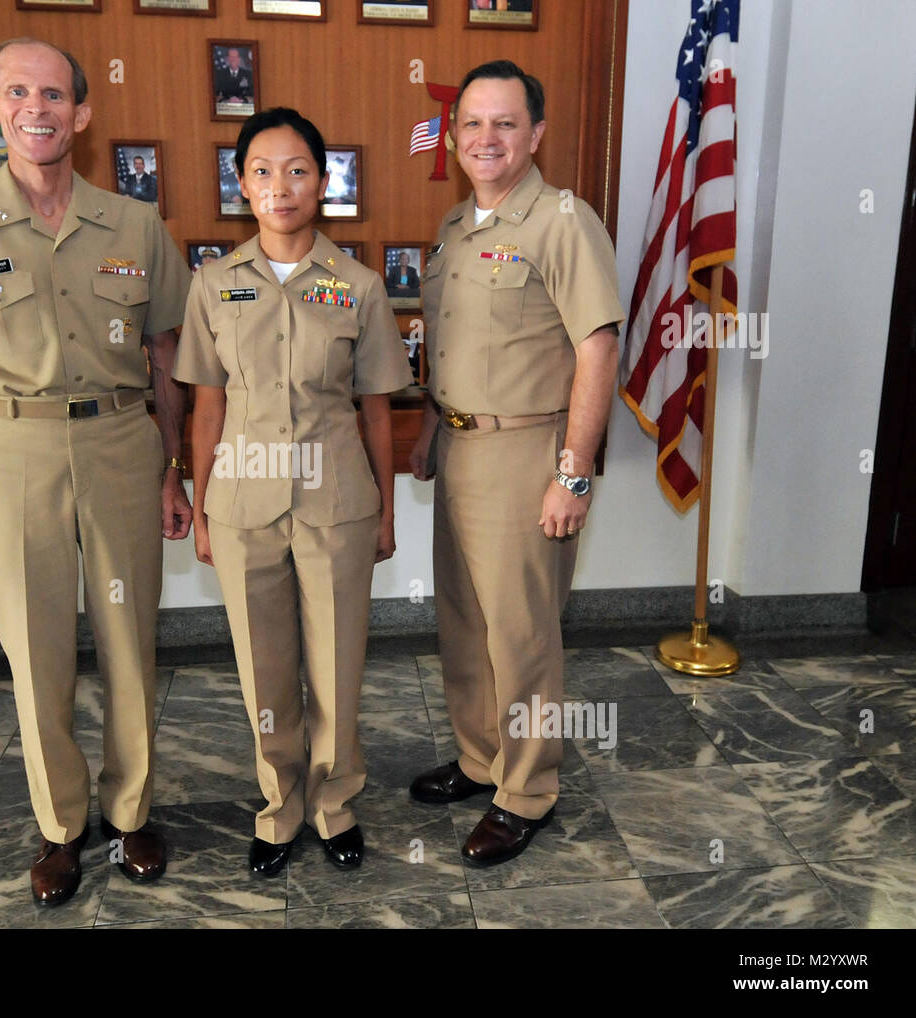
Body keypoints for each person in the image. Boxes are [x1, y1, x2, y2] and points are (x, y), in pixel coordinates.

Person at [0, 37, 192, 907]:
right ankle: (60, 829)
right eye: (17, 93)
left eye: (54, 95)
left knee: (132, 644)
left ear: (82, 114)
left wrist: (174, 471)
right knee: (36, 650)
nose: (37, 110)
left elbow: (167, 354)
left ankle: (131, 814)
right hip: (12, 453)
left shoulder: (134, 224)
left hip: (124, 446)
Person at [175, 108, 409, 877]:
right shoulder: (212, 283)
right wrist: (203, 505)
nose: (282, 185)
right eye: (264, 171)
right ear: (242, 185)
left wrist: (385, 509)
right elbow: (206, 407)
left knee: (337, 669)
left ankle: (336, 805)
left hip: (336, 501)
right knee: (263, 670)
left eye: (299, 169)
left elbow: (376, 407)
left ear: (324, 182)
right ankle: (279, 810)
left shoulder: (361, 286)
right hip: (242, 505)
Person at [408, 60, 623, 865]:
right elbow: (450, 340)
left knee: (523, 635)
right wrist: (432, 426)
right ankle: (482, 759)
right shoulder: (456, 226)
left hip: (528, 449)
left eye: (504, 123)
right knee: (464, 624)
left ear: (536, 133)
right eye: (471, 123)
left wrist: (573, 471)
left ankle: (528, 789)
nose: (485, 137)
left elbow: (597, 346)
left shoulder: (563, 220)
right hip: (461, 445)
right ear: (454, 134)